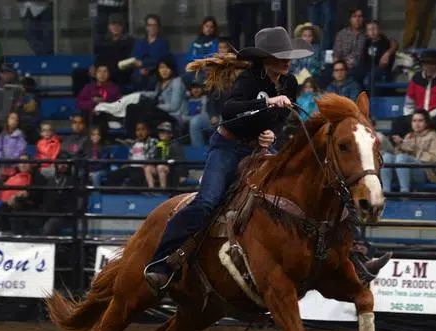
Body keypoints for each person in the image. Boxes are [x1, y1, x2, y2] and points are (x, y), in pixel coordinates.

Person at [143, 27, 389, 292]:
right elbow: (229, 110)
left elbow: (281, 120)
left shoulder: (290, 83)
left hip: (259, 151)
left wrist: (270, 134)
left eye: (288, 56)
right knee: (207, 202)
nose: (286, 61)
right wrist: (268, 102)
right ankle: (160, 262)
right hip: (228, 148)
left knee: (309, 193)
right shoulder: (250, 79)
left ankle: (353, 259)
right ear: (265, 58)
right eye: (280, 56)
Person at [382, 110, 436, 193]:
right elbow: (398, 158)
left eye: (420, 121)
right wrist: (399, 146)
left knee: (401, 158)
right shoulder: (409, 135)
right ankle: (385, 192)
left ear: (426, 123)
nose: (417, 124)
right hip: (405, 170)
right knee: (386, 157)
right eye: (414, 121)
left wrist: (414, 150)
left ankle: (405, 193)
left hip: (426, 172)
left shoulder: (433, 136)